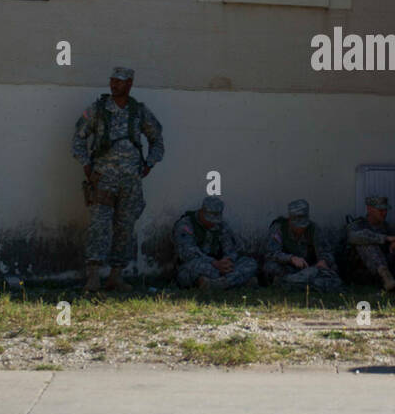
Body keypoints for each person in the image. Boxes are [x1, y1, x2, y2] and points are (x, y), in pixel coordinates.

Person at [71, 66, 165, 292]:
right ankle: (93, 278)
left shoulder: (139, 111)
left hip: (130, 181)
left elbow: (157, 139)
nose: (114, 85)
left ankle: (116, 276)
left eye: (120, 81)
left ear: (130, 84)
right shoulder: (98, 109)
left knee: (125, 228)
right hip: (103, 179)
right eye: (112, 80)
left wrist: (149, 164)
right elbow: (78, 138)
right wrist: (86, 164)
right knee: (99, 226)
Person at [173, 196, 257, 290]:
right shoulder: (185, 225)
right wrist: (214, 263)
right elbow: (187, 253)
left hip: (220, 267)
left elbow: (231, 248)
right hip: (198, 265)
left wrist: (227, 261)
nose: (212, 223)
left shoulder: (221, 226)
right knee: (198, 268)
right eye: (209, 219)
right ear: (201, 212)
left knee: (250, 263)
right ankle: (238, 282)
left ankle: (219, 283)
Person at [263, 199, 342, 293]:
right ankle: (295, 283)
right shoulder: (279, 228)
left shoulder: (313, 229)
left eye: (302, 226)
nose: (300, 229)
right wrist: (291, 258)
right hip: (287, 268)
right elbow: (271, 253)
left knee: (332, 270)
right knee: (270, 266)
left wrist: (323, 261)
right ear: (289, 220)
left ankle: (292, 284)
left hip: (309, 269)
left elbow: (326, 252)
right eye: (297, 226)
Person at [346, 195, 395, 292]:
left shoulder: (387, 227)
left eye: (385, 210)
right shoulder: (357, 225)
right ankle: (386, 279)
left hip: (388, 268)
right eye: (380, 210)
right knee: (367, 243)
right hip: (363, 270)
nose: (384, 213)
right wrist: (384, 238)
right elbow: (352, 237)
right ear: (369, 209)